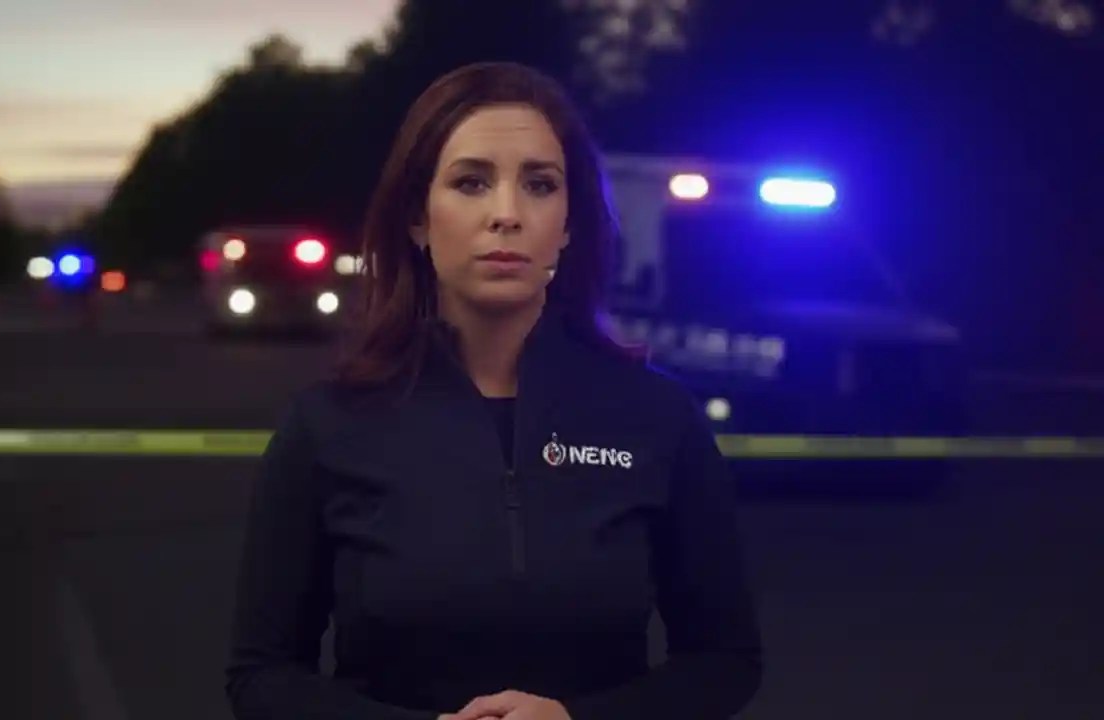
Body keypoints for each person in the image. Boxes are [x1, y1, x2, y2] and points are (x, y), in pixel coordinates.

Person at [225, 61, 763, 720]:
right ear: (418, 217)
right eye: (471, 182)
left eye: (539, 184)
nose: (506, 215)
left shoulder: (658, 417)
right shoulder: (328, 424)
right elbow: (262, 675)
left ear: (568, 223)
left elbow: (724, 661)